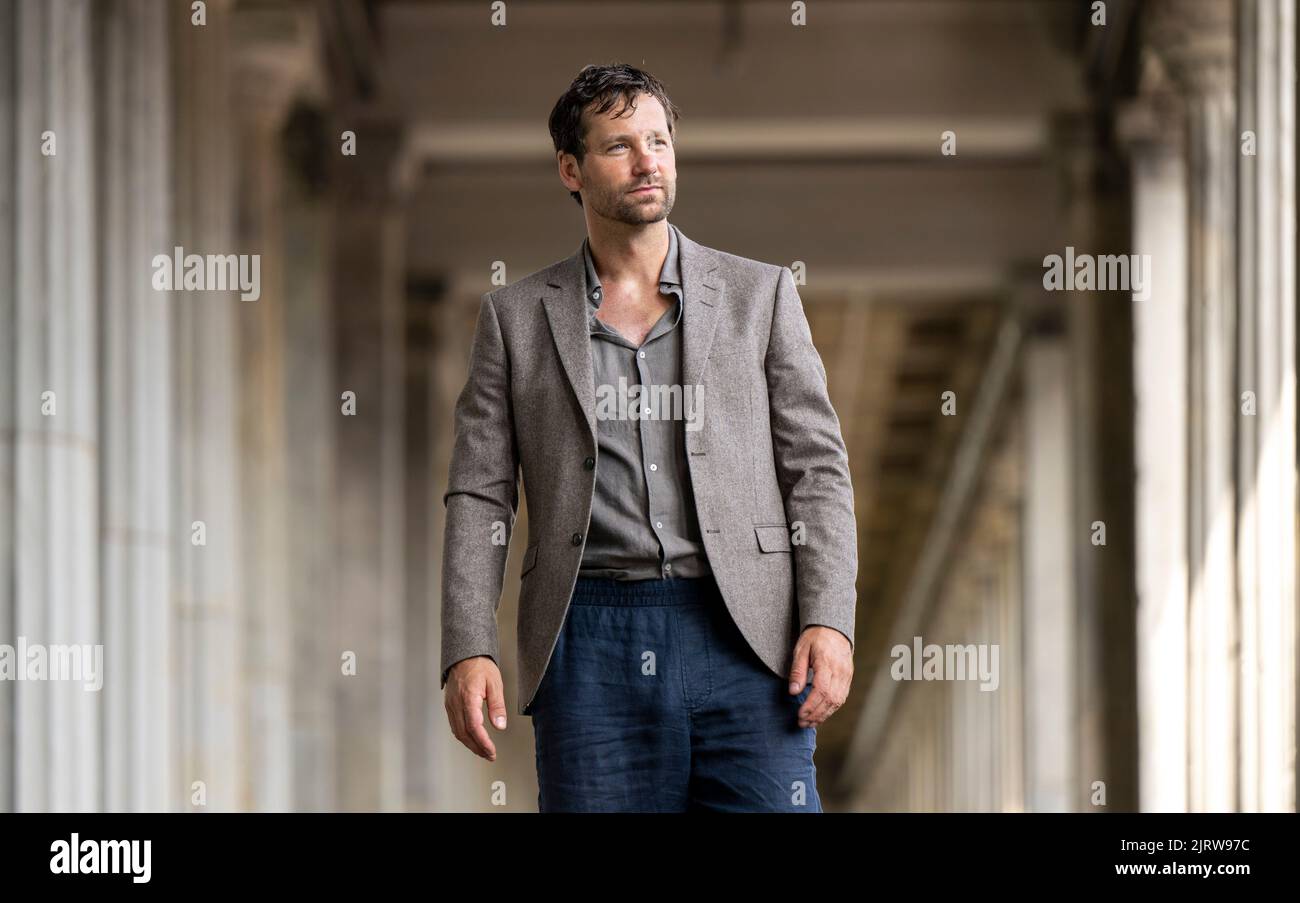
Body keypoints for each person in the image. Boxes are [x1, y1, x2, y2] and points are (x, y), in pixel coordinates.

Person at [440, 63, 858, 812]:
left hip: (746, 634)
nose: (647, 161)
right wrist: (469, 643)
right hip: (589, 640)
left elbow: (817, 470)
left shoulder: (759, 296)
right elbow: (480, 493)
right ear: (571, 170)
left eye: (659, 141)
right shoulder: (515, 318)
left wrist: (829, 618)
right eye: (619, 145)